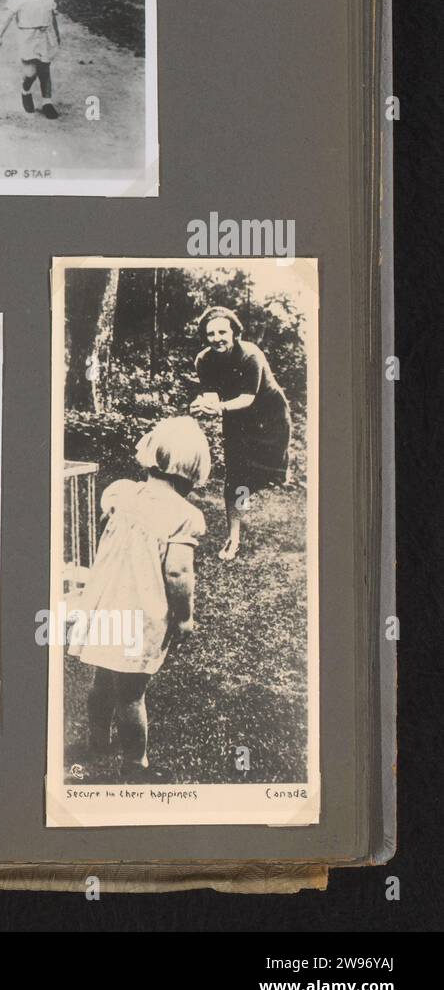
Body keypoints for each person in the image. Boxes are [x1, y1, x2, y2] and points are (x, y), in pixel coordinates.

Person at [67, 417, 210, 782]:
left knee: (102, 679)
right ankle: (137, 764)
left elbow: (109, 524)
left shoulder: (122, 494)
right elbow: (178, 574)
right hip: (137, 610)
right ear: (193, 469)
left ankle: (97, 739)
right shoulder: (183, 515)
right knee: (130, 693)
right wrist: (184, 618)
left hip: (103, 604)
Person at [190, 305, 293, 561]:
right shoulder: (204, 360)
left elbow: (247, 398)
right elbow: (212, 398)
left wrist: (217, 407)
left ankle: (251, 494)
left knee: (263, 474)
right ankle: (233, 537)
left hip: (269, 418)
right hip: (237, 420)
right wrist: (202, 405)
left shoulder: (250, 355)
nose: (217, 339)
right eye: (211, 334)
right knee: (236, 476)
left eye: (222, 332)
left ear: (235, 332)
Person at [0, 0, 61, 119]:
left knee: (45, 71)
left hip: (45, 36)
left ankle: (47, 102)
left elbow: (52, 16)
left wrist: (57, 35)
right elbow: (7, 17)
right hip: (28, 38)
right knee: (31, 73)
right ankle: (25, 90)